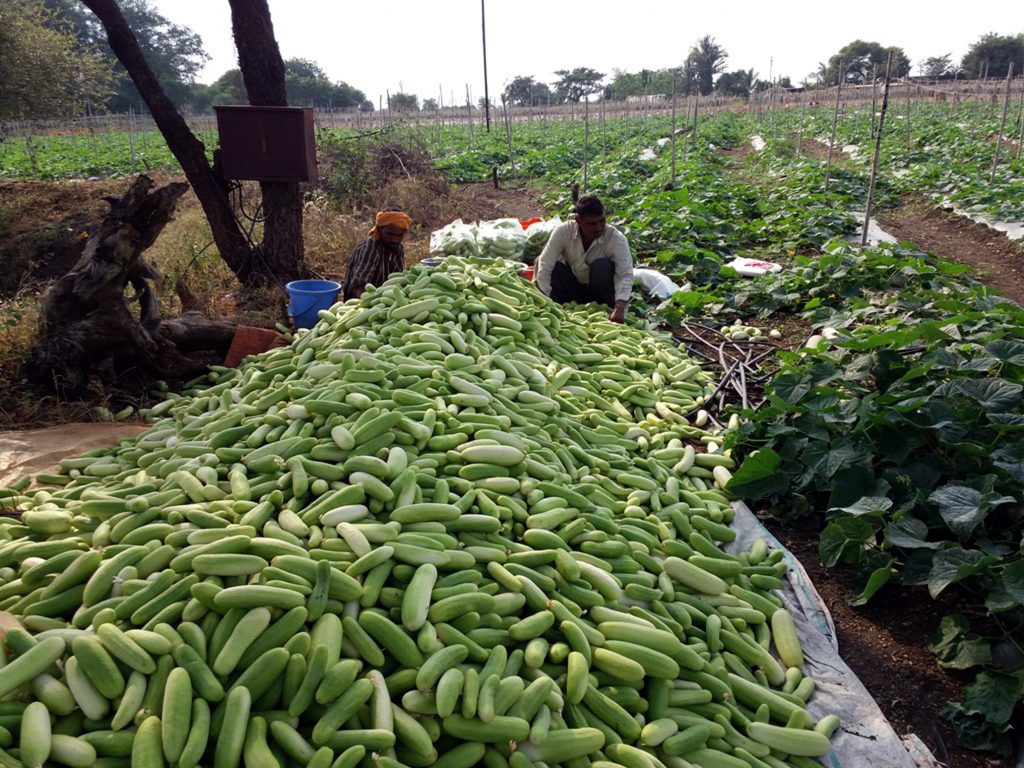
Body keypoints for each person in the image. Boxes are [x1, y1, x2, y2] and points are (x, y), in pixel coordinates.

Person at [534, 195, 633, 323]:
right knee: (542, 262)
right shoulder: (564, 232)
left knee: (601, 266)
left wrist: (619, 308)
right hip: (574, 289)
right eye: (592, 223)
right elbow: (545, 264)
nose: (598, 228)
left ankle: (607, 311)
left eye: (602, 221)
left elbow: (625, 275)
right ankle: (562, 308)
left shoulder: (616, 239)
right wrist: (543, 300)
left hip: (602, 293)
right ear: (578, 221)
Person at [343, 209, 412, 301]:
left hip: (384, 298)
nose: (395, 240)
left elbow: (397, 278)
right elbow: (359, 288)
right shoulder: (371, 249)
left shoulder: (398, 248)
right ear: (379, 229)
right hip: (362, 301)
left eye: (399, 235)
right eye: (389, 234)